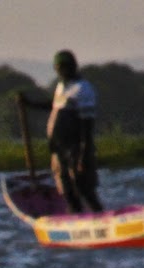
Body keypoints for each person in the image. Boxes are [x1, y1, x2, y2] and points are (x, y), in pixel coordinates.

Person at [19, 50, 103, 213]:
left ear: (73, 67)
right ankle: (76, 220)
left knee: (84, 188)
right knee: (66, 189)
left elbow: (87, 124)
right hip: (59, 149)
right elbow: (55, 106)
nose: (62, 71)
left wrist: (84, 154)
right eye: (58, 68)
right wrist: (29, 104)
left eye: (65, 67)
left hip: (76, 148)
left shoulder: (82, 89)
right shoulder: (61, 87)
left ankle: (100, 218)